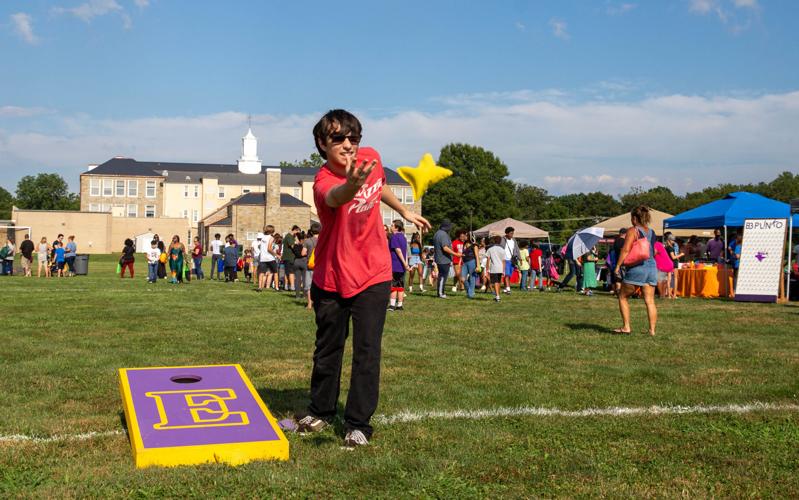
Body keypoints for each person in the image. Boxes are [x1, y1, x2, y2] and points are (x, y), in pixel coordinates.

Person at [296, 109, 429, 448]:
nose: (348, 144)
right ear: (322, 144)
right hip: (332, 275)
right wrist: (352, 184)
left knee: (367, 351)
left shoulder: (371, 158)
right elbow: (335, 197)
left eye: (353, 138)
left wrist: (402, 210)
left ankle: (358, 424)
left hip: (373, 273)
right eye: (338, 138)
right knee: (328, 349)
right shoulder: (323, 181)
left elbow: (378, 185)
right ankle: (320, 411)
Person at [613, 206, 658, 336]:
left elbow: (626, 249)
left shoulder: (633, 230)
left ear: (634, 218)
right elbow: (653, 251)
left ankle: (626, 327)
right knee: (649, 300)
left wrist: (617, 266)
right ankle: (652, 330)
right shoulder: (652, 232)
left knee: (622, 296)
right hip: (652, 267)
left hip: (637, 268)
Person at [433, 220, 459, 298]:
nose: (450, 228)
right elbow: (445, 248)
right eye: (450, 226)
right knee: (443, 277)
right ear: (446, 227)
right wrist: (456, 254)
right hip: (443, 259)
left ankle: (441, 292)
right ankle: (441, 293)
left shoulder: (437, 233)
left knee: (442, 276)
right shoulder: (443, 234)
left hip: (440, 258)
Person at [388, 219, 410, 311]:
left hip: (395, 264)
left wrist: (405, 264)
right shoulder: (404, 237)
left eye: (392, 225)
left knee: (393, 286)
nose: (391, 227)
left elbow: (398, 251)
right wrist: (406, 264)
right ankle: (400, 305)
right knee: (400, 285)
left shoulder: (394, 237)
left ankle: (392, 305)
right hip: (402, 266)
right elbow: (405, 253)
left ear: (397, 227)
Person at [303, 224, 320, 308]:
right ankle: (319, 303)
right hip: (321, 266)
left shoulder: (307, 241)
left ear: (311, 231)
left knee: (309, 285)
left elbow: (303, 253)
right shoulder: (323, 240)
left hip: (310, 265)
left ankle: (309, 304)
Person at [256, 226, 278, 292]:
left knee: (261, 273)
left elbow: (259, 246)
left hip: (263, 258)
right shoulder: (271, 238)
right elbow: (269, 249)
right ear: (272, 231)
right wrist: (277, 255)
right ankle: (277, 288)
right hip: (270, 258)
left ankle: (260, 287)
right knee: (275, 272)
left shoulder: (262, 237)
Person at [499, 227, 520, 294]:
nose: (512, 235)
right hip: (505, 260)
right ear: (507, 233)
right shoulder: (502, 239)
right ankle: (508, 289)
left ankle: (505, 288)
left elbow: (517, 249)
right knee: (507, 274)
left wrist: (519, 257)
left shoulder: (514, 240)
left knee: (509, 275)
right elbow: (500, 248)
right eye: (511, 233)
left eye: (513, 233)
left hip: (512, 260)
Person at [486, 236, 506, 302]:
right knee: (498, 282)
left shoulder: (490, 249)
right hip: (500, 268)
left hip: (494, 268)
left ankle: (497, 296)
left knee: (495, 282)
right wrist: (503, 270)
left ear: (494, 241)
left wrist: (487, 269)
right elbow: (504, 261)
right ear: (500, 241)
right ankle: (498, 295)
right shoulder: (502, 250)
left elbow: (488, 260)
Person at [664, 232, 683, 299]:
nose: (673, 241)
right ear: (669, 240)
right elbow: (673, 257)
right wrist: (681, 254)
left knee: (669, 279)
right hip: (674, 263)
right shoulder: (671, 248)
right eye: (672, 240)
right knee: (675, 278)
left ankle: (669, 295)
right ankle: (674, 295)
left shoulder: (666, 247)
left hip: (668, 263)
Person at [282, 226, 300, 292]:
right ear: (295, 230)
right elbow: (293, 246)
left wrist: (296, 238)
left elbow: (297, 243)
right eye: (298, 231)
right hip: (289, 257)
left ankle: (286, 286)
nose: (298, 233)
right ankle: (292, 286)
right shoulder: (289, 236)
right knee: (291, 272)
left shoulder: (291, 236)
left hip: (288, 257)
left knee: (287, 272)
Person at [292, 231, 308, 298]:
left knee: (297, 279)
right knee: (305, 279)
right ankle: (304, 295)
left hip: (296, 262)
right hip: (304, 261)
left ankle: (297, 295)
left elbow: (296, 253)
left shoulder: (295, 246)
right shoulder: (305, 245)